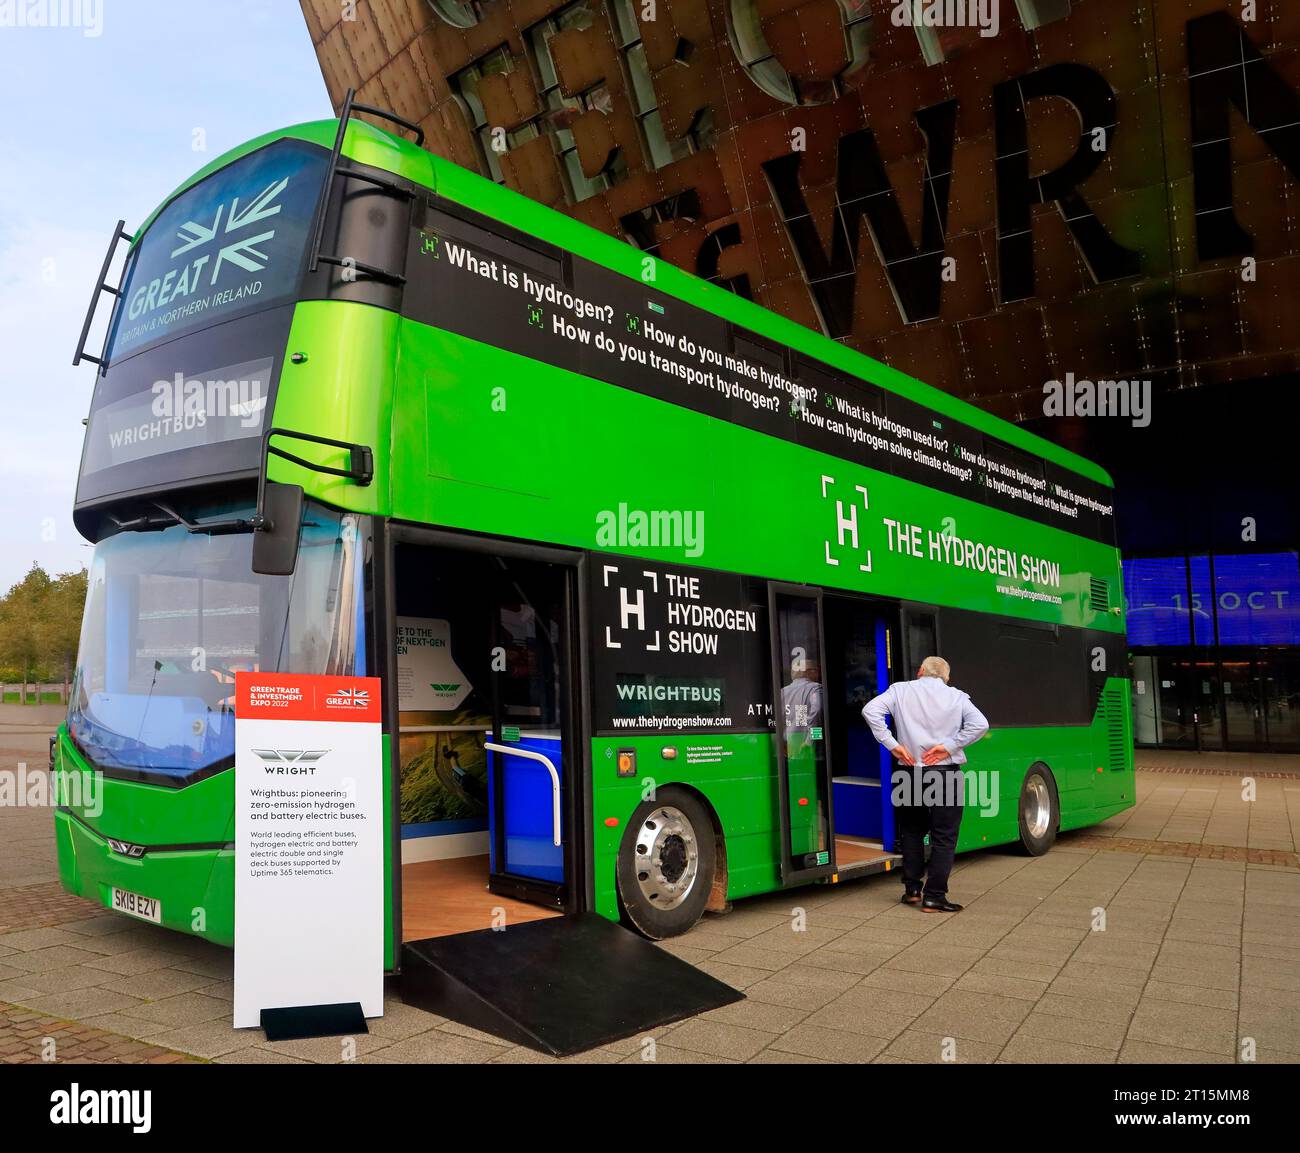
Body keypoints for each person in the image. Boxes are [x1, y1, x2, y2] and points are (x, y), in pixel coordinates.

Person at [862, 656, 989, 913]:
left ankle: (912, 890)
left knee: (911, 831)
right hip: (944, 774)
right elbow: (981, 724)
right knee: (944, 836)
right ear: (946, 676)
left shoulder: (900, 690)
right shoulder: (957, 697)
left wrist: (893, 746)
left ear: (921, 671)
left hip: (909, 772)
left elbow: (870, 711)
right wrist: (949, 747)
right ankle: (934, 896)